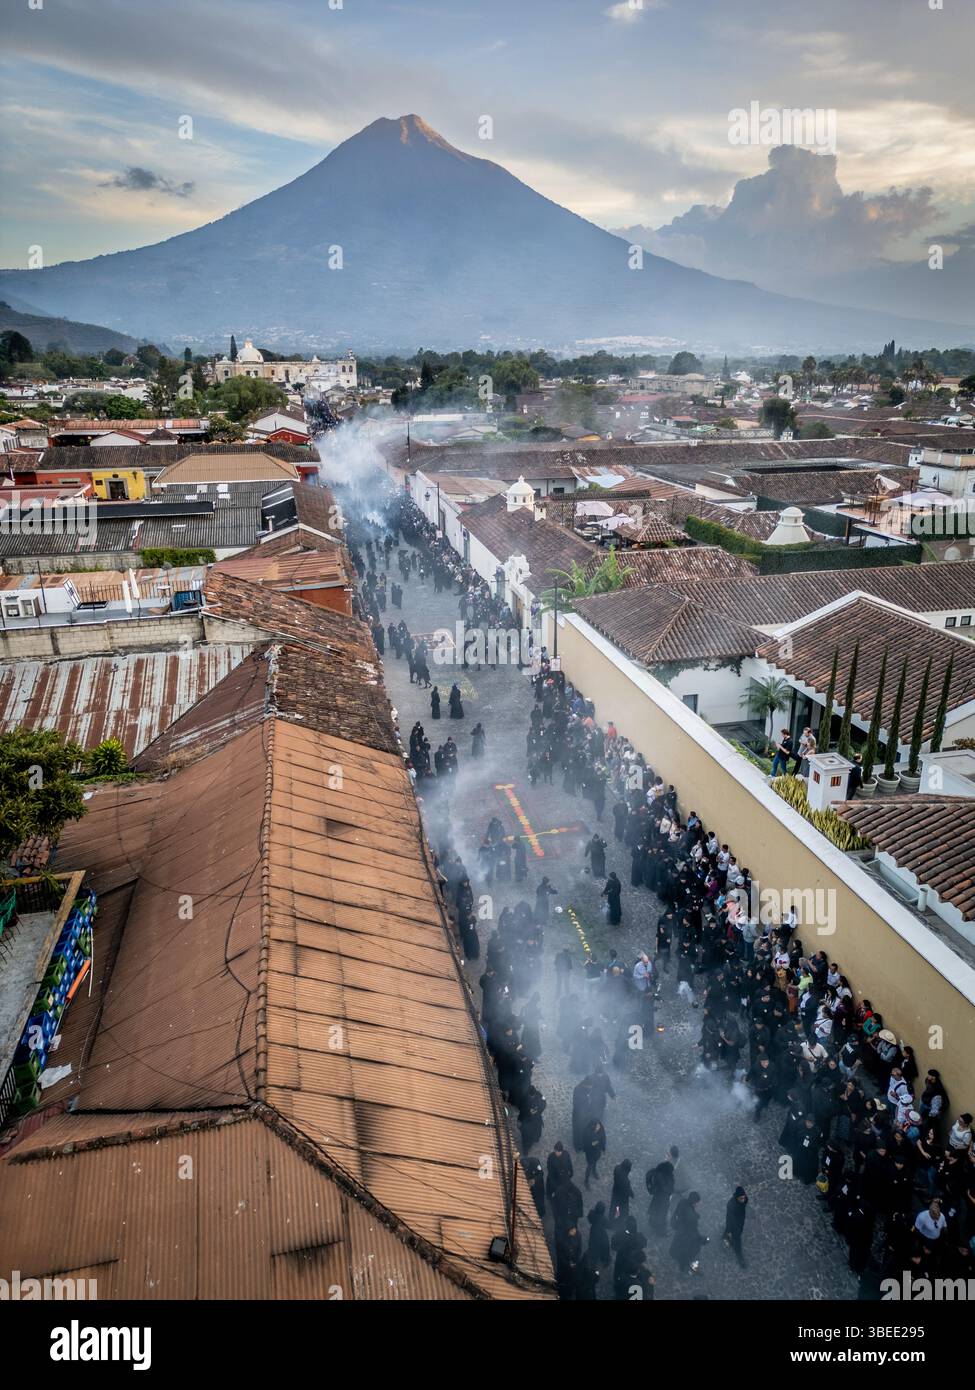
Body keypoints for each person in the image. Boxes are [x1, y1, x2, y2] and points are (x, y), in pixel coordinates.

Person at [669, 1192, 705, 1275]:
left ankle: (679, 1260)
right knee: (690, 1253)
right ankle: (688, 1267)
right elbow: (693, 1231)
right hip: (686, 1236)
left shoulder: (682, 1202)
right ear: (694, 1202)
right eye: (698, 1202)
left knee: (679, 1246)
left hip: (680, 1231)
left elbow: (677, 1213)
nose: (700, 1203)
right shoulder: (691, 1218)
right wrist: (701, 1239)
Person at [723, 1186, 748, 1267]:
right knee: (737, 1240)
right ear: (737, 1197)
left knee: (729, 1232)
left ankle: (725, 1236)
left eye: (743, 1198)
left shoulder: (744, 1199)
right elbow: (729, 1219)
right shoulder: (731, 1205)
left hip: (740, 1222)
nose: (743, 1200)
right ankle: (740, 1257)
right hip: (734, 1224)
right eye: (741, 1198)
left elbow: (745, 1202)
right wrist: (730, 1230)